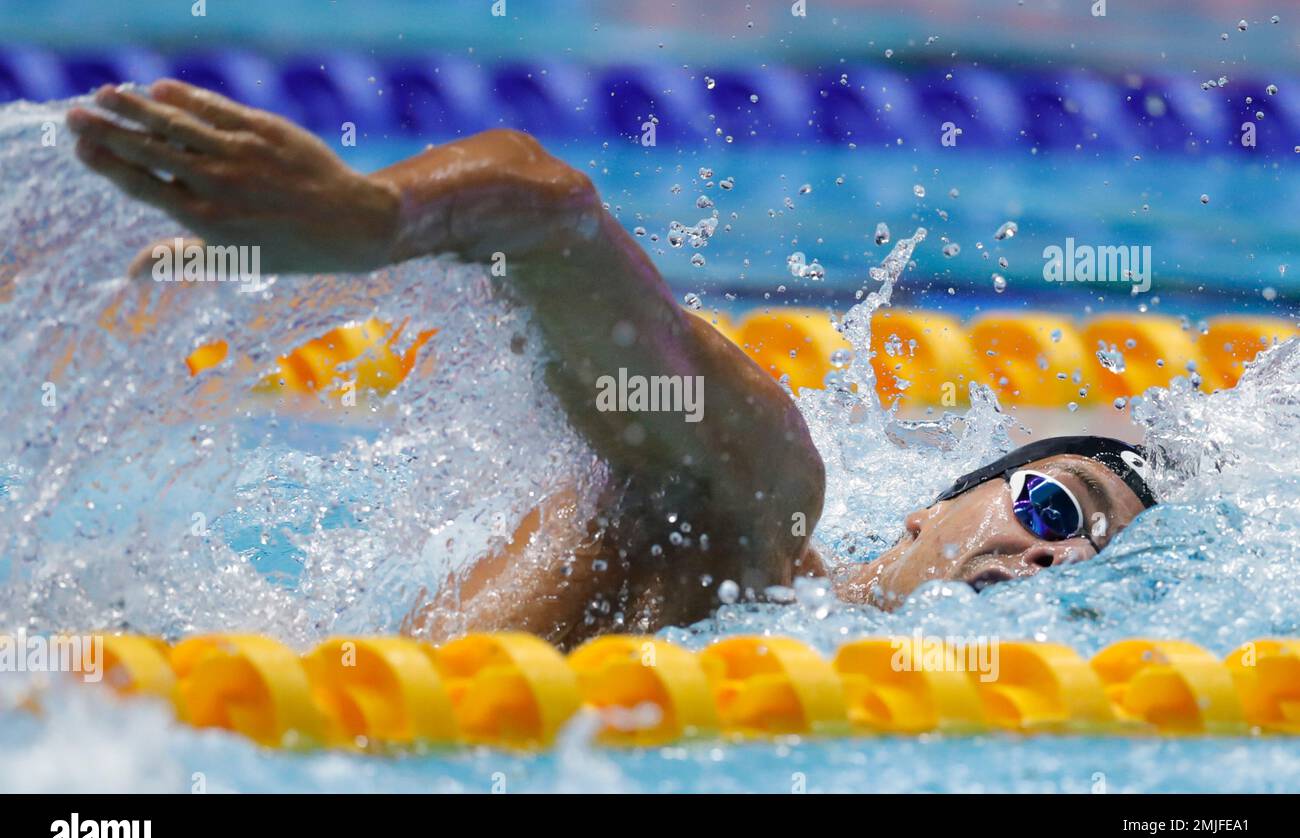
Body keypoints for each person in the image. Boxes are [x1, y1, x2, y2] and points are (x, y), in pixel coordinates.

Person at [66, 80, 1158, 647]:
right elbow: (547, 206)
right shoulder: (745, 512)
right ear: (930, 508)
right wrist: (369, 221)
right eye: (1058, 510)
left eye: (1092, 565)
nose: (1053, 561)